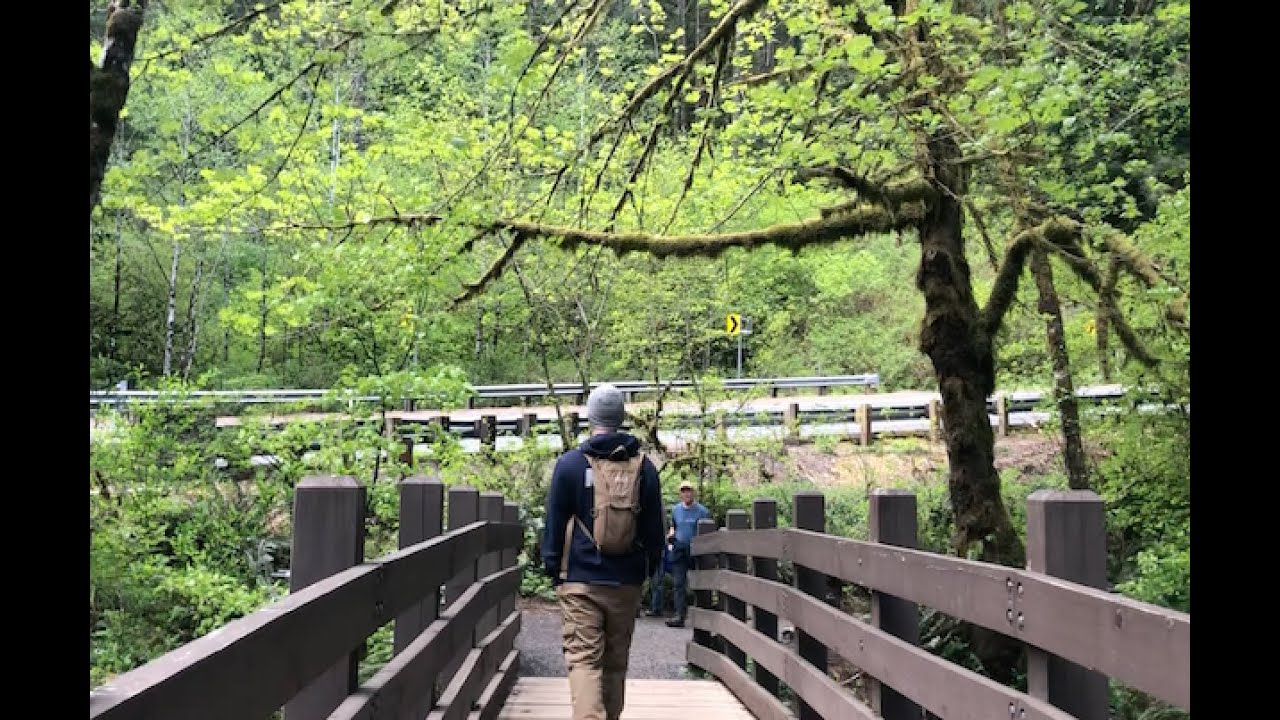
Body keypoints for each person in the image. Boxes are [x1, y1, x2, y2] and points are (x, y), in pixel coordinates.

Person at [542, 383, 664, 720]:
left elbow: (553, 524)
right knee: (614, 663)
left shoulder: (569, 465)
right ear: (622, 417)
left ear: (591, 416)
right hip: (626, 582)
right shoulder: (644, 469)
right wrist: (648, 572)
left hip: (581, 579)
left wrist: (554, 569)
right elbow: (654, 530)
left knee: (583, 659)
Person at [664, 479, 711, 628]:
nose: (686, 493)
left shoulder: (702, 511)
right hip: (679, 549)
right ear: (680, 494)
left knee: (699, 582)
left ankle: (702, 614)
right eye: (683, 491)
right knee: (679, 584)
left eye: (689, 490)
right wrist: (670, 536)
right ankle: (679, 615)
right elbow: (674, 526)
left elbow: (708, 532)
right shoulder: (676, 509)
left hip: (696, 550)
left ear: (693, 493)